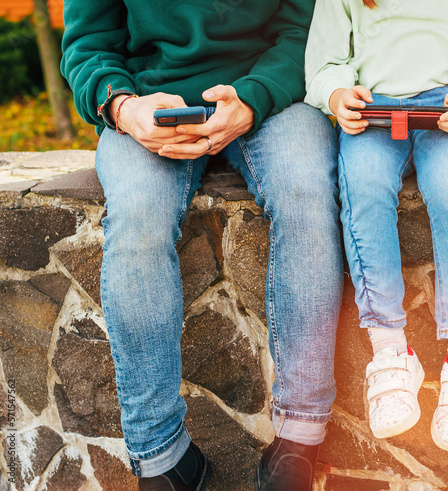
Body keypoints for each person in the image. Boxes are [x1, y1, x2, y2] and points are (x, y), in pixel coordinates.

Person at [60, 0, 344, 489]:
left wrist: (253, 98)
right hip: (147, 105)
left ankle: (300, 436)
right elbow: (88, 44)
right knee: (136, 221)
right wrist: (123, 107)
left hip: (270, 96)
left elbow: (305, 29)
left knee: (307, 194)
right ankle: (161, 458)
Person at [303, 0, 448, 453]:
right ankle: (390, 349)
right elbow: (325, 61)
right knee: (364, 186)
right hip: (375, 111)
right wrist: (337, 95)